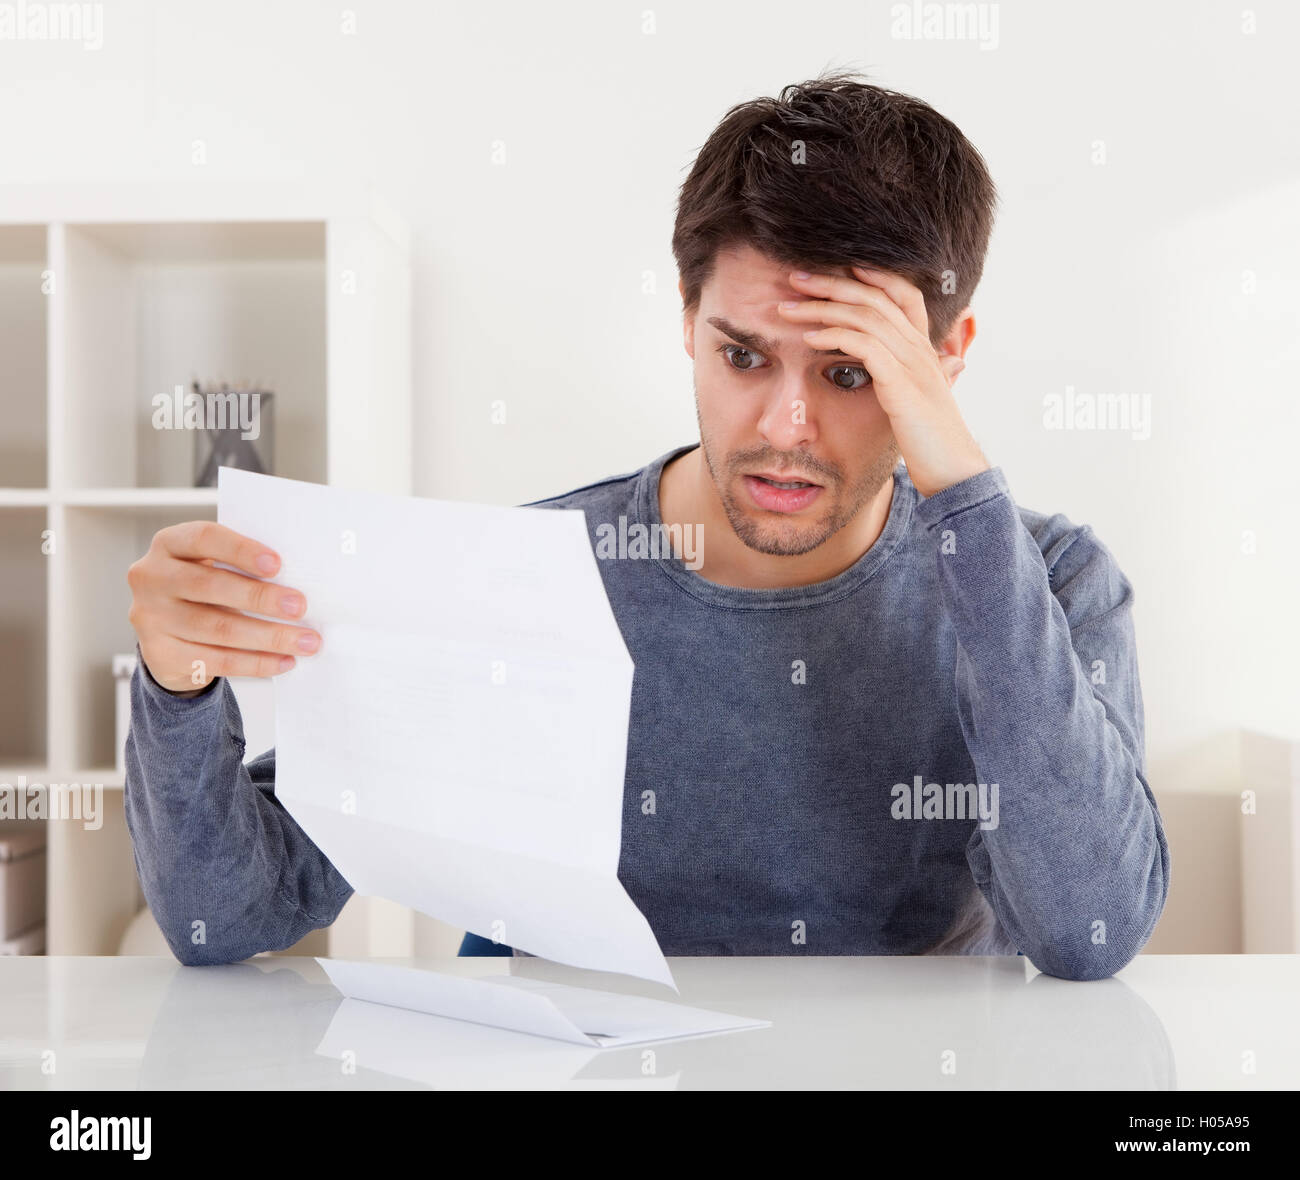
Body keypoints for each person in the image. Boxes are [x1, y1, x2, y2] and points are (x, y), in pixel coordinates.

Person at [124, 71, 1169, 980]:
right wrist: (176, 685)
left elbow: (1085, 933)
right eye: (744, 356)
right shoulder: (521, 574)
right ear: (685, 318)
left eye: (852, 373)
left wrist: (966, 510)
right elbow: (232, 917)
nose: (783, 428)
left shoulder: (1049, 578)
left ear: (945, 361)